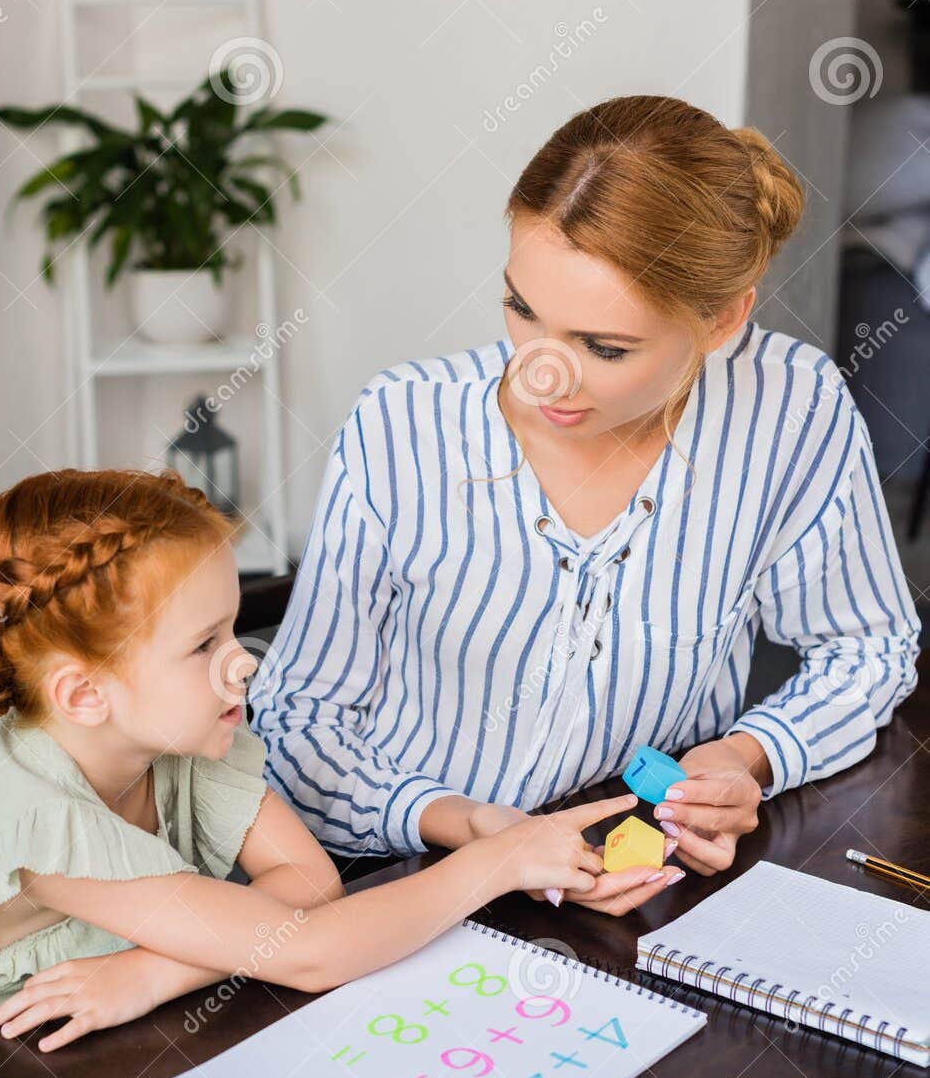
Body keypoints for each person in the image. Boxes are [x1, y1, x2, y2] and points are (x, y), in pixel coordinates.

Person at [251, 95, 921, 903]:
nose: (543, 375)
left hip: (626, 878)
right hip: (397, 872)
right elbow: (296, 721)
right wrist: (473, 830)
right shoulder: (403, 423)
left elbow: (866, 649)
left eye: (604, 347)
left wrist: (745, 758)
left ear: (722, 320)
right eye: (521, 309)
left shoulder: (792, 408)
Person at [0, 468, 642, 1065]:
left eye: (232, 630)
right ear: (84, 694)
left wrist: (157, 972)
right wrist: (497, 861)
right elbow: (311, 951)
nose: (243, 663)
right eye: (204, 644)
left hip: (65, 1038)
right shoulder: (38, 822)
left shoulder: (177, 734)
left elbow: (310, 885)